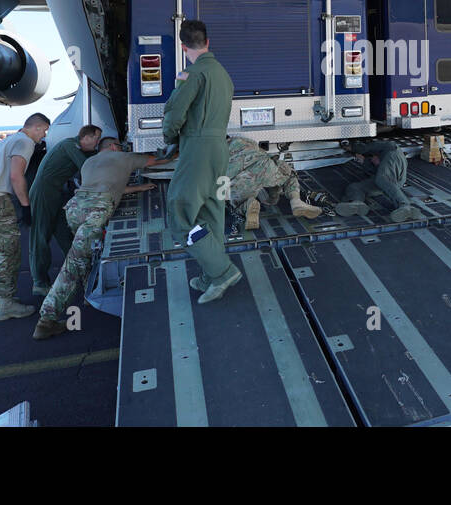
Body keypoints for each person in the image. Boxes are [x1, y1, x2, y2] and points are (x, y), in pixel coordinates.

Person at [33, 137, 158, 339]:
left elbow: (106, 185)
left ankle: (87, 295)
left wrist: (138, 188)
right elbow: (154, 160)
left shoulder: (89, 162)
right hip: (96, 209)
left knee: (84, 255)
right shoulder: (122, 156)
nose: (121, 148)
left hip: (75, 207)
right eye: (119, 146)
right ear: (112, 146)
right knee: (75, 262)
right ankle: (46, 320)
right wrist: (179, 152)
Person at [164, 19, 240, 304]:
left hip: (197, 149)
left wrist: (170, 137)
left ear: (184, 47)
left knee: (181, 214)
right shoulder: (223, 74)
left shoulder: (192, 74)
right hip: (220, 149)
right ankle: (211, 275)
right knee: (211, 213)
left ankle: (221, 272)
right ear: (207, 43)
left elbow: (175, 113)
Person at [0, 113, 49, 320]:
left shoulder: (8, 141)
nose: (44, 136)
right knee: (8, 254)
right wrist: (26, 206)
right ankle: (6, 304)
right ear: (37, 127)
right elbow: (16, 175)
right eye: (44, 131)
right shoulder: (25, 142)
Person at [28, 124, 102, 297]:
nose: (97, 143)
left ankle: (79, 273)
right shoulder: (70, 145)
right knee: (40, 237)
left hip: (56, 195)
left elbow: (96, 157)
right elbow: (88, 167)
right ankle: (40, 283)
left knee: (66, 235)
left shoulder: (80, 148)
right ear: (86, 137)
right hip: (43, 193)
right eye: (96, 139)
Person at [226, 136, 322, 230]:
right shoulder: (244, 140)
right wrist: (273, 197)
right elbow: (266, 157)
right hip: (266, 167)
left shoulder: (215, 150)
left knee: (236, 204)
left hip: (241, 180)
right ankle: (296, 200)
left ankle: (248, 205)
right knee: (287, 172)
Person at [334, 140, 422, 222]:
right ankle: (357, 203)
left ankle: (405, 205)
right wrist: (364, 161)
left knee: (381, 178)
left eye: (371, 159)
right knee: (354, 187)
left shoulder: (389, 147)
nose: (372, 161)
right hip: (390, 184)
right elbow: (375, 171)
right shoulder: (382, 167)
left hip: (392, 177)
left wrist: (351, 147)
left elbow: (364, 148)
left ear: (375, 154)